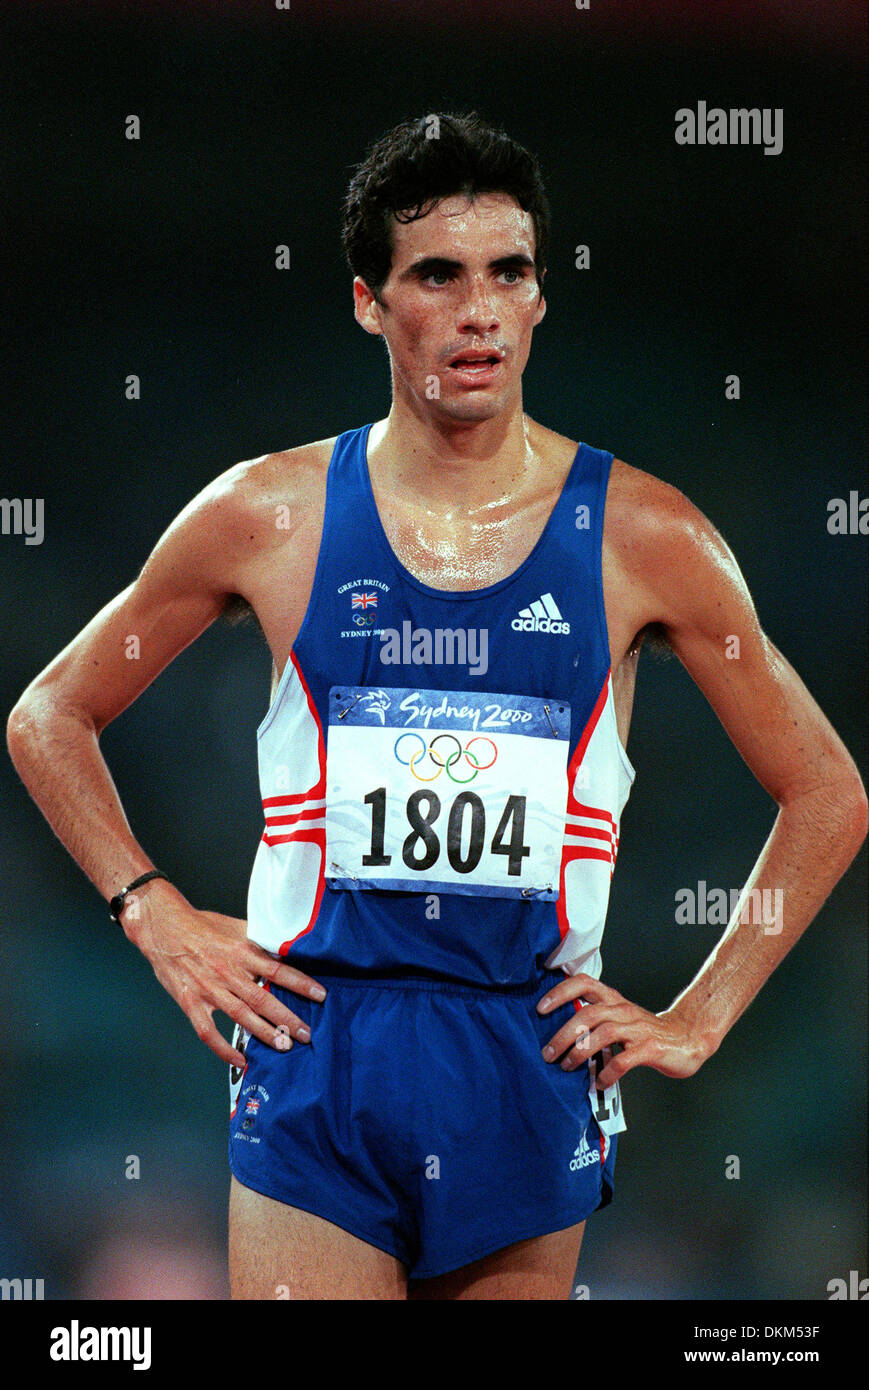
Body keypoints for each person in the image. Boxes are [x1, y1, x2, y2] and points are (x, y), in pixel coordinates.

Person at [7, 113, 866, 1302]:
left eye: (507, 272)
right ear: (370, 302)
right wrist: (151, 910)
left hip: (525, 1052)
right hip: (317, 1048)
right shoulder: (270, 516)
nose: (477, 310)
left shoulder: (643, 537)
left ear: (539, 299)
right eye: (437, 276)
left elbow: (825, 790)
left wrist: (698, 1015)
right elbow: (49, 713)